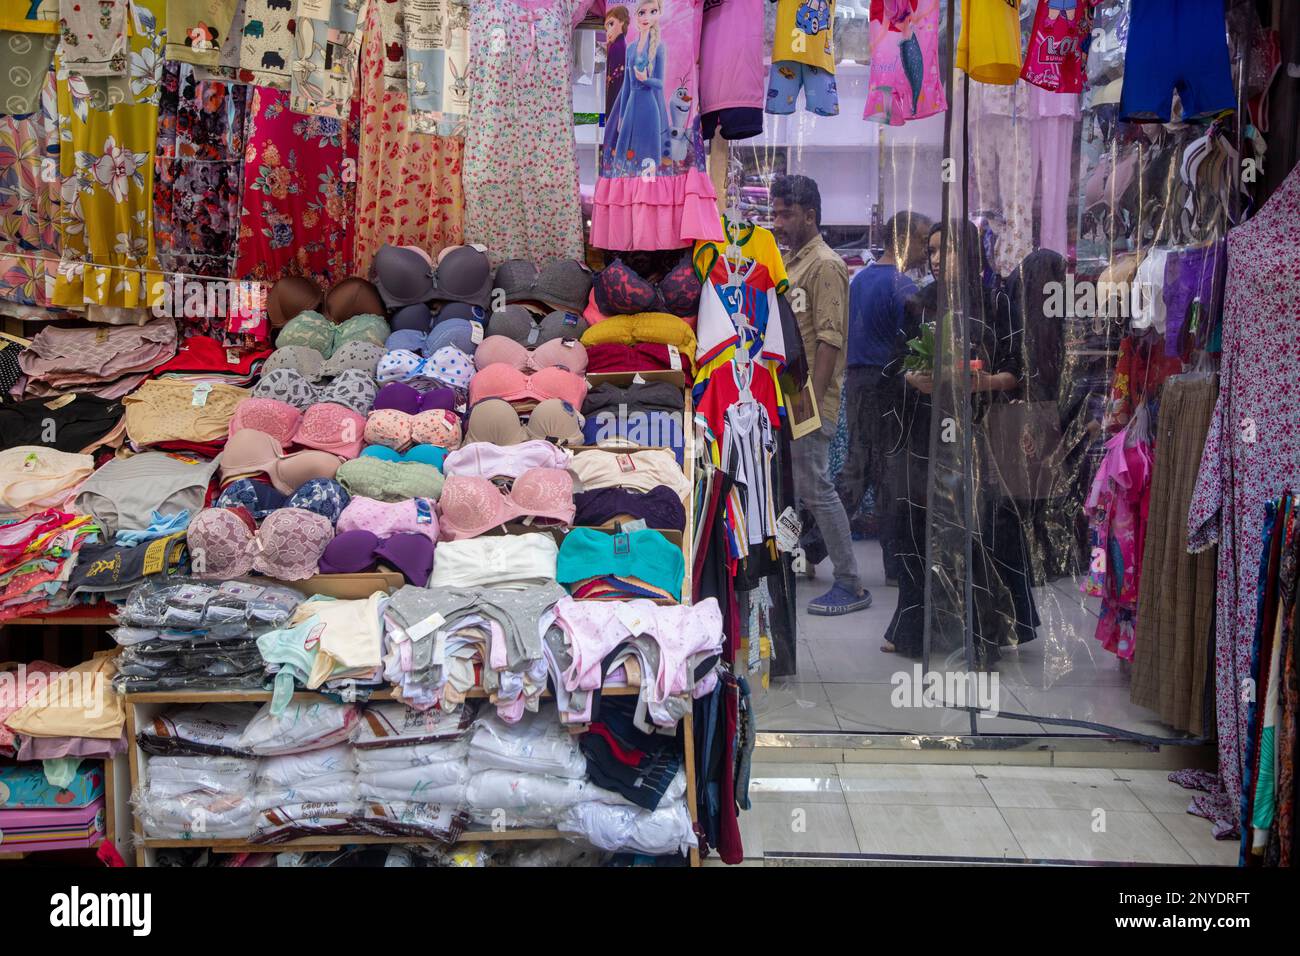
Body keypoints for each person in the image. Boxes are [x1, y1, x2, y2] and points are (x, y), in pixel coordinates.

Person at [881, 218, 1039, 665]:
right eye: (931, 250)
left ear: (968, 252)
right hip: (926, 438)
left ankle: (989, 629)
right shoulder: (920, 304)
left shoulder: (996, 301)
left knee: (981, 530)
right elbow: (891, 370)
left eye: (945, 249)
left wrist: (979, 382)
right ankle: (915, 625)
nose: (935, 258)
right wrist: (914, 379)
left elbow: (1018, 372)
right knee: (922, 530)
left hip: (981, 438)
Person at [770, 174, 872, 616]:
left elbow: (829, 339)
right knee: (794, 487)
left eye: (786, 214)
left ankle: (851, 582)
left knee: (816, 487)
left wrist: (807, 405)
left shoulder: (825, 266)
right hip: (790, 393)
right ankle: (787, 565)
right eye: (774, 213)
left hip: (807, 399)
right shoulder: (793, 264)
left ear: (810, 216)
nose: (777, 222)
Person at [838, 209, 931, 585]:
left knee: (861, 467)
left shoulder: (860, 281)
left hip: (858, 381)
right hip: (884, 384)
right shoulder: (904, 289)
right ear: (907, 239)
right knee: (885, 474)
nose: (928, 249)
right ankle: (894, 565)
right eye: (925, 240)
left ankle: (806, 544)